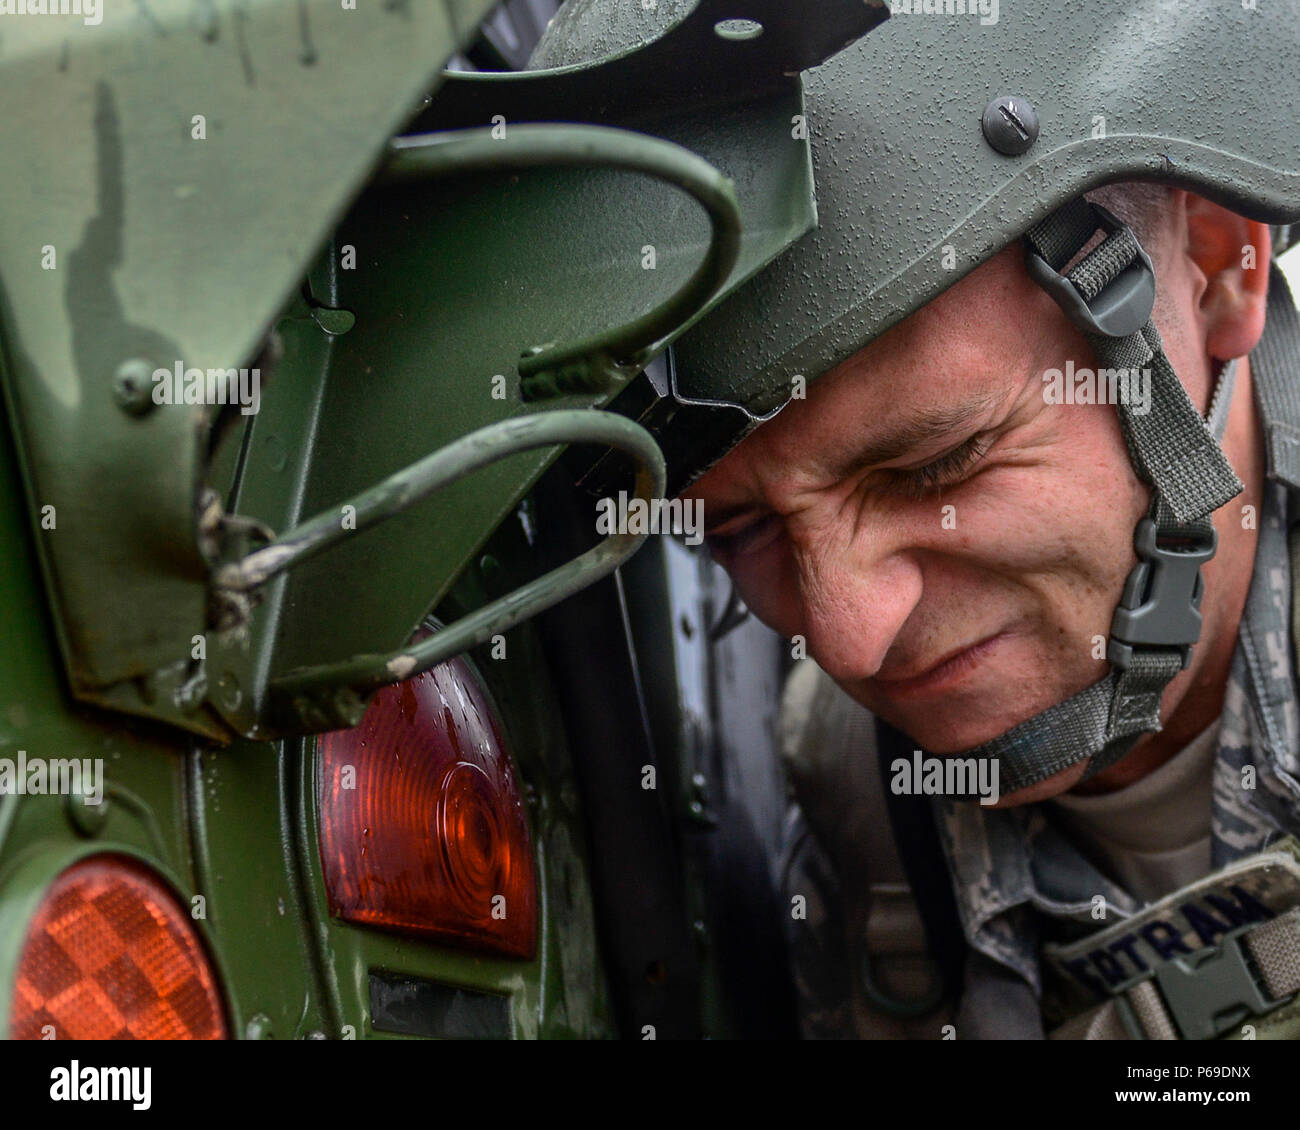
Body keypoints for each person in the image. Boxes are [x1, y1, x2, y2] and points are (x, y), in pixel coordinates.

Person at [535, 0, 1300, 1037]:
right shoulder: (853, 793)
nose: (851, 634)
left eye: (939, 461)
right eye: (739, 530)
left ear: (1216, 261)